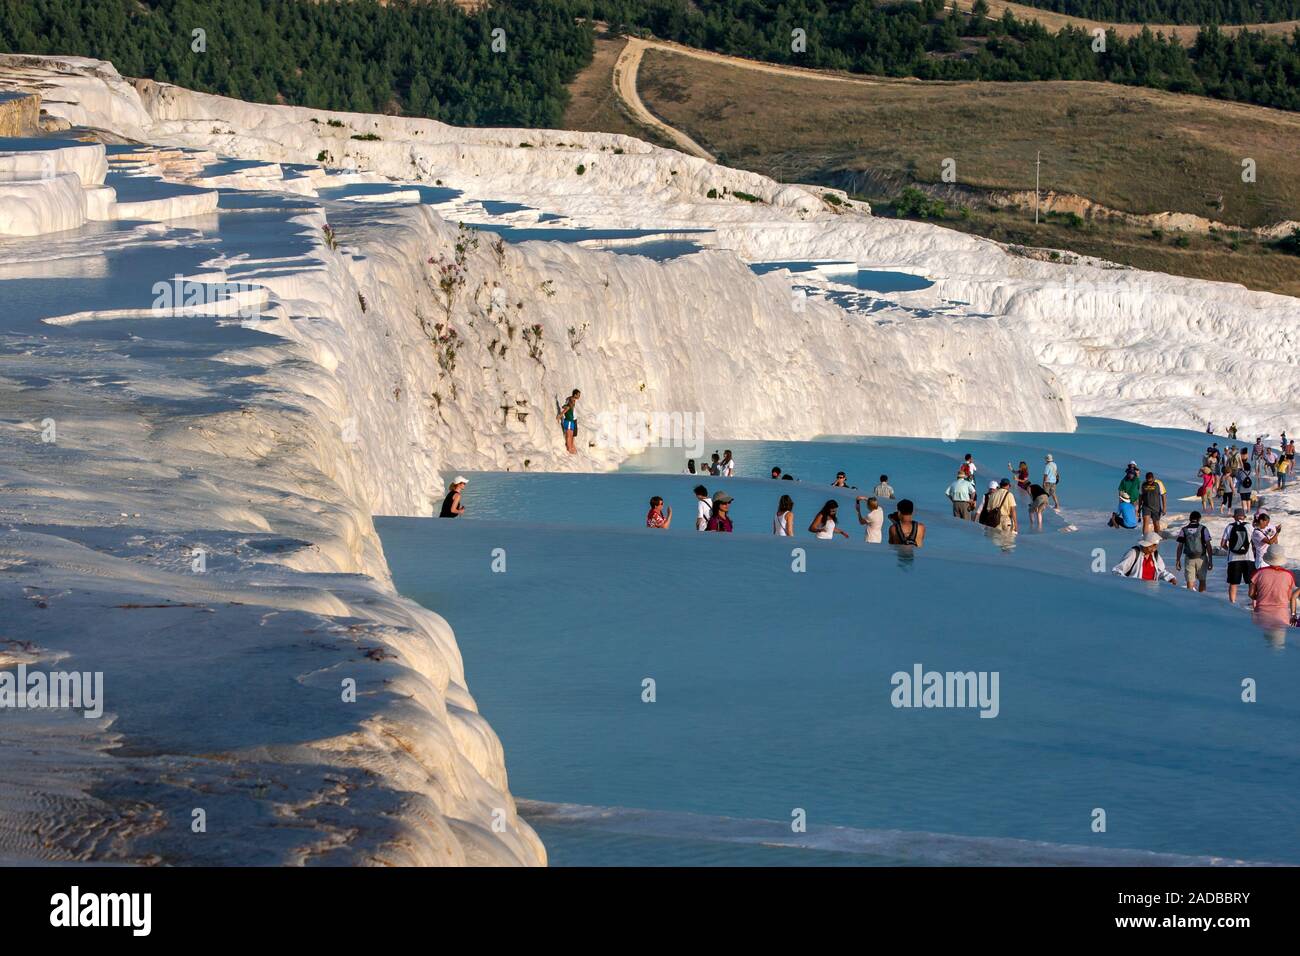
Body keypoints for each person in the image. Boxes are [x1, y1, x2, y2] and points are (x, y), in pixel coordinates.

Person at [1248, 546, 1298, 630]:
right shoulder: (1289, 575)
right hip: (1282, 615)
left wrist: (1261, 597)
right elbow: (1289, 597)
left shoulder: (1258, 573)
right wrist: (1293, 614)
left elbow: (1251, 594)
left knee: (1262, 640)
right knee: (1279, 640)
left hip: (1261, 614)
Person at [1111, 531, 1179, 585]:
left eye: (1155, 546)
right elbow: (1117, 570)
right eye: (1151, 546)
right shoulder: (1134, 553)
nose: (1153, 549)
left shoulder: (1154, 555)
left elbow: (1160, 571)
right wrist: (1128, 583)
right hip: (1135, 592)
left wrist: (1171, 578)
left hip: (1152, 592)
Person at [1221, 507, 1254, 603]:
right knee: (1251, 582)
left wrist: (1230, 550)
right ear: (1244, 517)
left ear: (1234, 517)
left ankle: (1232, 603)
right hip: (1249, 558)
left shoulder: (1229, 527)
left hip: (1233, 559)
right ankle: (1253, 603)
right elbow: (1255, 541)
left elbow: (1222, 544)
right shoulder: (1249, 526)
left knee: (1233, 583)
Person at [1174, 511, 1213, 592]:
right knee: (1202, 581)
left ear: (1190, 519)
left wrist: (1178, 560)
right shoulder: (1203, 529)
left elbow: (1180, 546)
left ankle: (1191, 601)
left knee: (1190, 582)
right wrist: (1210, 560)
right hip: (1201, 558)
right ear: (1199, 519)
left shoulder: (1184, 530)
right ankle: (1202, 599)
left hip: (1189, 559)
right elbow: (1208, 545)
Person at [557, 389, 580, 454]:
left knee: (571, 434)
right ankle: (569, 448)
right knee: (569, 435)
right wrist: (560, 415)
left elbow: (564, 406)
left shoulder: (571, 400)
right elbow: (567, 408)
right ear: (575, 395)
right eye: (578, 395)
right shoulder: (571, 401)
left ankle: (571, 447)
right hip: (569, 420)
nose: (579, 396)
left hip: (572, 420)